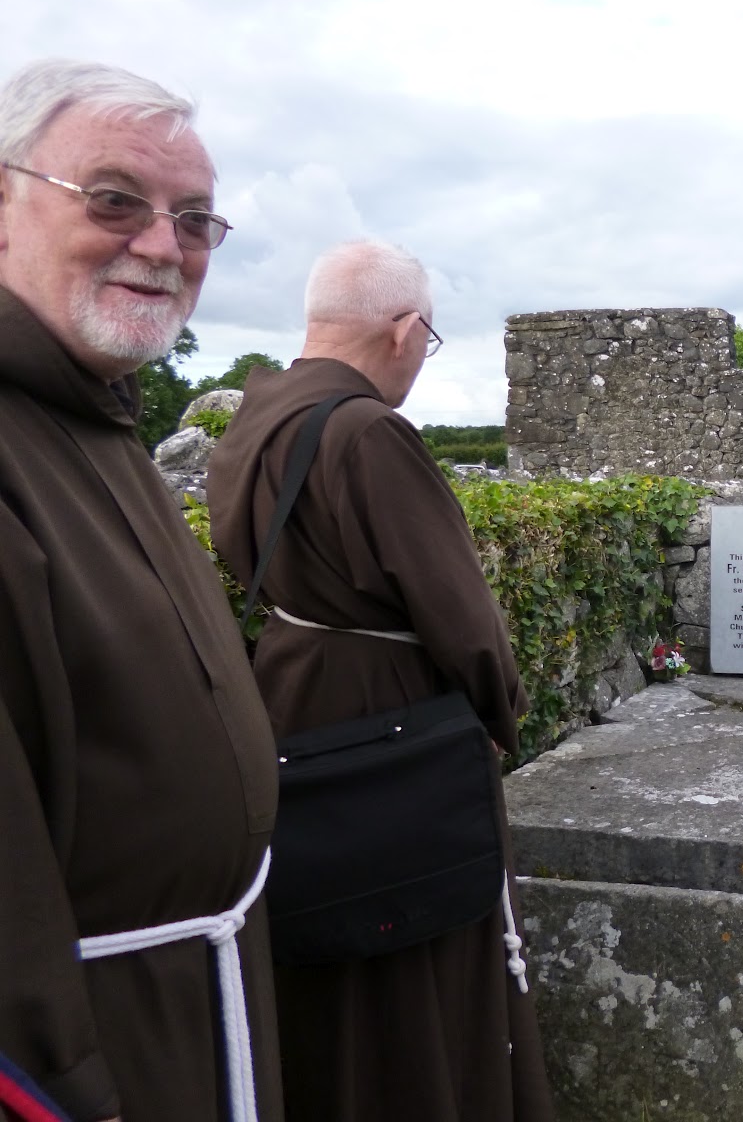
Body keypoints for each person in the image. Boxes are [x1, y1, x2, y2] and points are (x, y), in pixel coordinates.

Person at [206, 240, 556, 1121]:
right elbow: (464, 620)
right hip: (385, 718)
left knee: (320, 927)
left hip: (286, 694)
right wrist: (498, 715)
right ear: (404, 331)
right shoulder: (368, 432)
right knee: (407, 939)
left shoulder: (254, 415)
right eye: (428, 340)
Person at [0, 59, 283, 1120]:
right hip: (99, 1045)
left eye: (197, 220)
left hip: (196, 993)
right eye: (114, 199)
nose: (164, 246)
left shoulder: (92, 412)